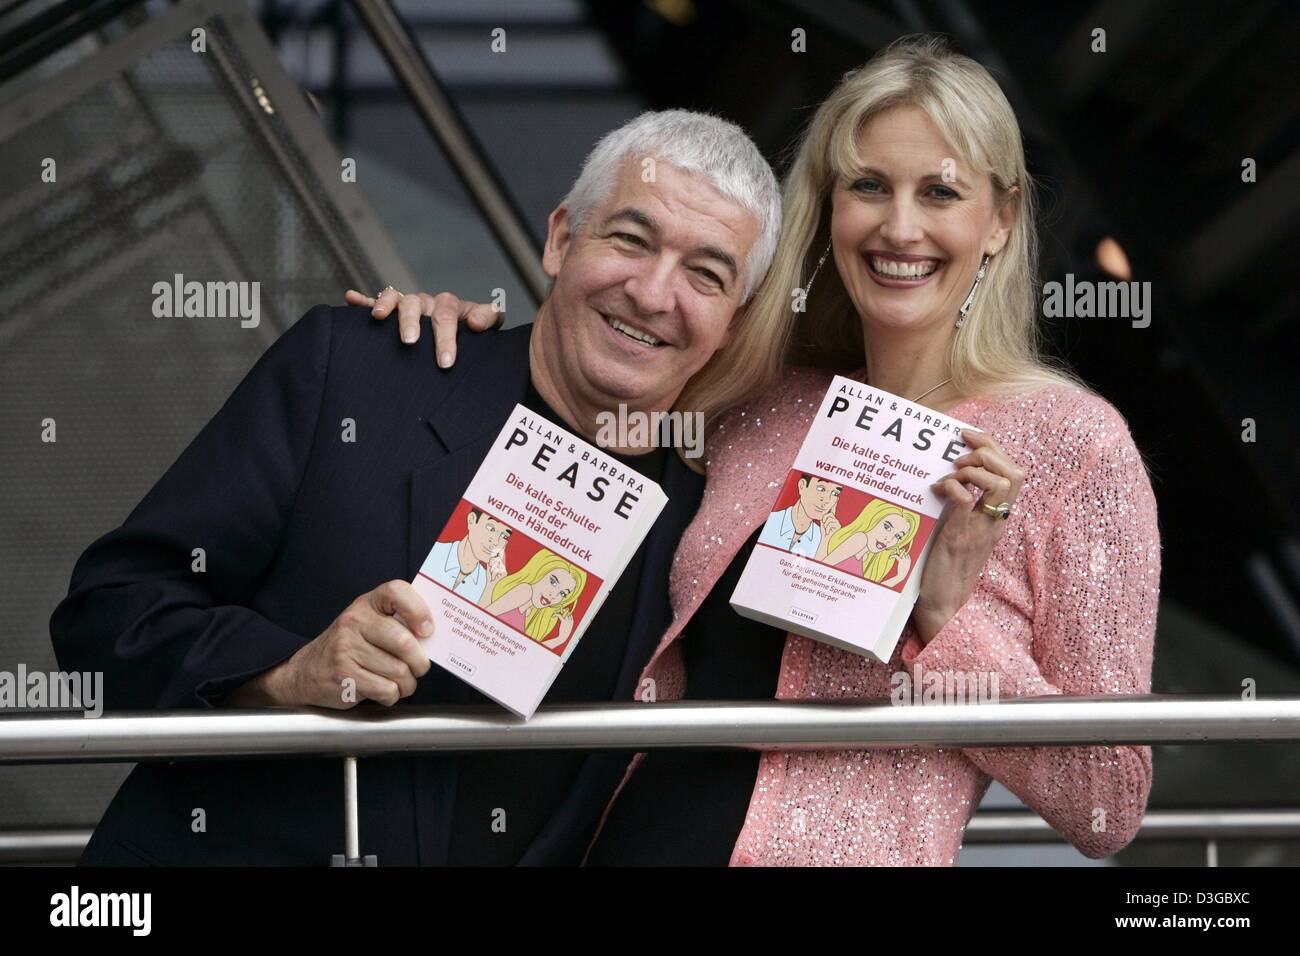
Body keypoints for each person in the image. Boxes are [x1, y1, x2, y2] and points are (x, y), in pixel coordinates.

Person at [361, 35, 1161, 866]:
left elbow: (1107, 803)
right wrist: (448, 348)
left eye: (941, 192)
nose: (900, 226)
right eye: (869, 186)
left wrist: (947, 620)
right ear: (830, 205)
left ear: (998, 220)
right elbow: (592, 387)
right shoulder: (761, 402)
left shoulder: (1076, 451)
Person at [48, 109, 782, 865]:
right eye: (631, 239)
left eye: (707, 273)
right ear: (562, 238)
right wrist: (287, 673)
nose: (655, 293)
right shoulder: (356, 376)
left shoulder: (708, 524)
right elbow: (107, 613)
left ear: (737, 320)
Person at [420, 508, 512, 604]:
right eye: (490, 528)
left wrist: (490, 587)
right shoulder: (433, 551)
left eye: (504, 536)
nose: (495, 542)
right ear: (471, 521)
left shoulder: (488, 583)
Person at [756, 474, 842, 558]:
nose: (827, 500)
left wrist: (825, 542)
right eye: (821, 488)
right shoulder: (772, 521)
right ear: (802, 486)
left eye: (835, 493)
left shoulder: (823, 538)